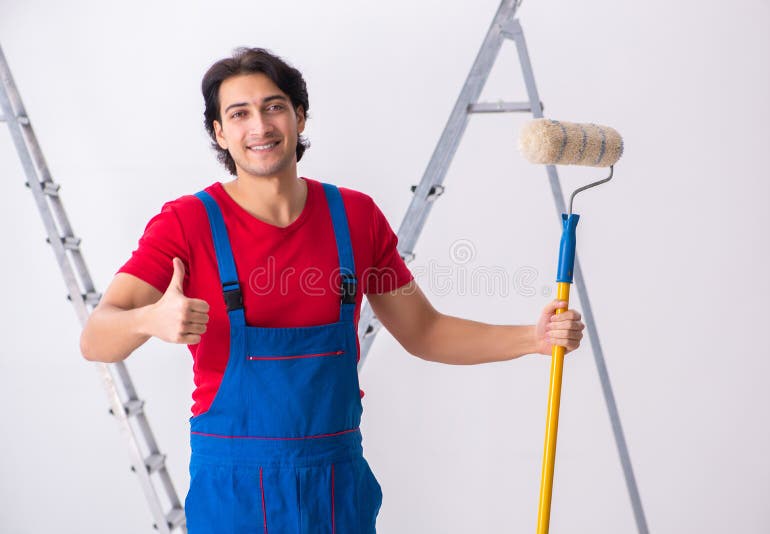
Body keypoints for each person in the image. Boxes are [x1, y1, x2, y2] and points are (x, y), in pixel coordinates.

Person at [79, 47, 584, 533]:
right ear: (220, 132)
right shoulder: (187, 224)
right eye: (239, 114)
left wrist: (535, 339)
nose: (259, 126)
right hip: (234, 493)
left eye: (273, 107)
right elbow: (95, 338)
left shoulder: (355, 219)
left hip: (336, 490)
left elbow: (425, 332)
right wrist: (149, 320)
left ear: (299, 116)